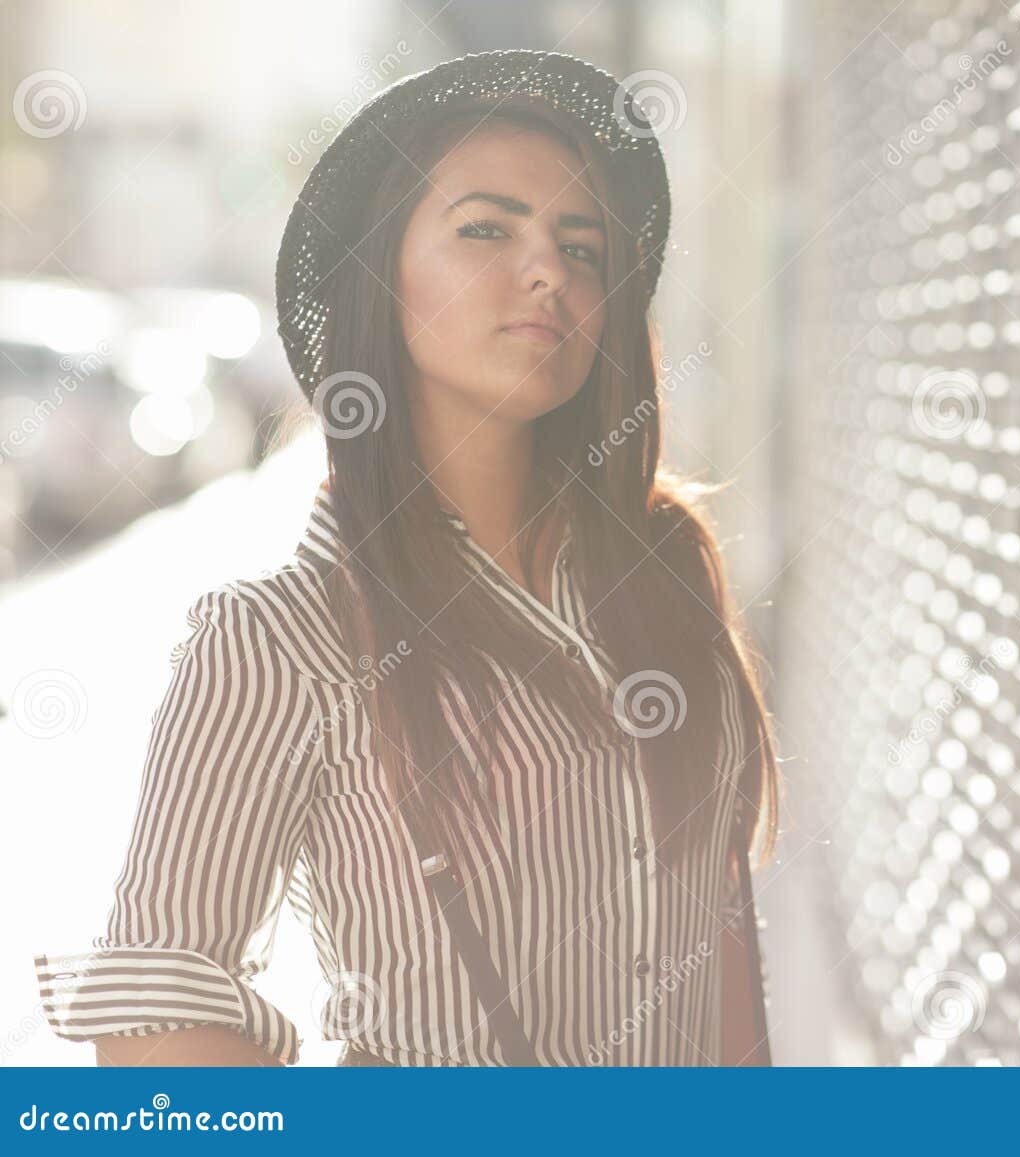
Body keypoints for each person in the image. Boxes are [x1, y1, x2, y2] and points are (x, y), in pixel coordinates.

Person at [34, 49, 780, 1067]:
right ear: (379, 280)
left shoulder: (663, 569)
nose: (547, 270)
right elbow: (154, 1025)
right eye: (486, 230)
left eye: (582, 245)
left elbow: (721, 943)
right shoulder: (279, 637)